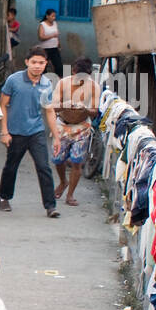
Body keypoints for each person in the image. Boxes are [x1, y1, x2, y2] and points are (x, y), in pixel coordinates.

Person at [0, 47, 62, 218]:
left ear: (46, 64)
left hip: (36, 132)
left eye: (41, 63)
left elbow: (49, 111)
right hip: (16, 131)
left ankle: (50, 206)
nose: (37, 66)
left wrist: (56, 137)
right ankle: (4, 197)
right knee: (11, 166)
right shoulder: (14, 80)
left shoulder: (46, 84)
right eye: (34, 62)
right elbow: (3, 105)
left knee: (44, 167)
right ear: (27, 62)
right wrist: (4, 131)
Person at [50, 56, 99, 207]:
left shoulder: (94, 87)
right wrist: (67, 104)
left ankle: (70, 194)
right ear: (73, 72)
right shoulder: (63, 83)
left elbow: (95, 112)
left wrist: (85, 108)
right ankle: (63, 182)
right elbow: (54, 107)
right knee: (58, 159)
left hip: (82, 127)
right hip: (62, 125)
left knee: (77, 162)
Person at [37, 8, 63, 78]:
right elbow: (41, 37)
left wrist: (58, 44)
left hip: (54, 48)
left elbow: (57, 35)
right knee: (43, 66)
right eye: (52, 16)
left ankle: (60, 81)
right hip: (45, 49)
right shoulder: (42, 24)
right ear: (47, 16)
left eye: (55, 16)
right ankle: (43, 80)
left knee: (59, 66)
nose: (54, 18)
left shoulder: (55, 23)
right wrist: (52, 36)